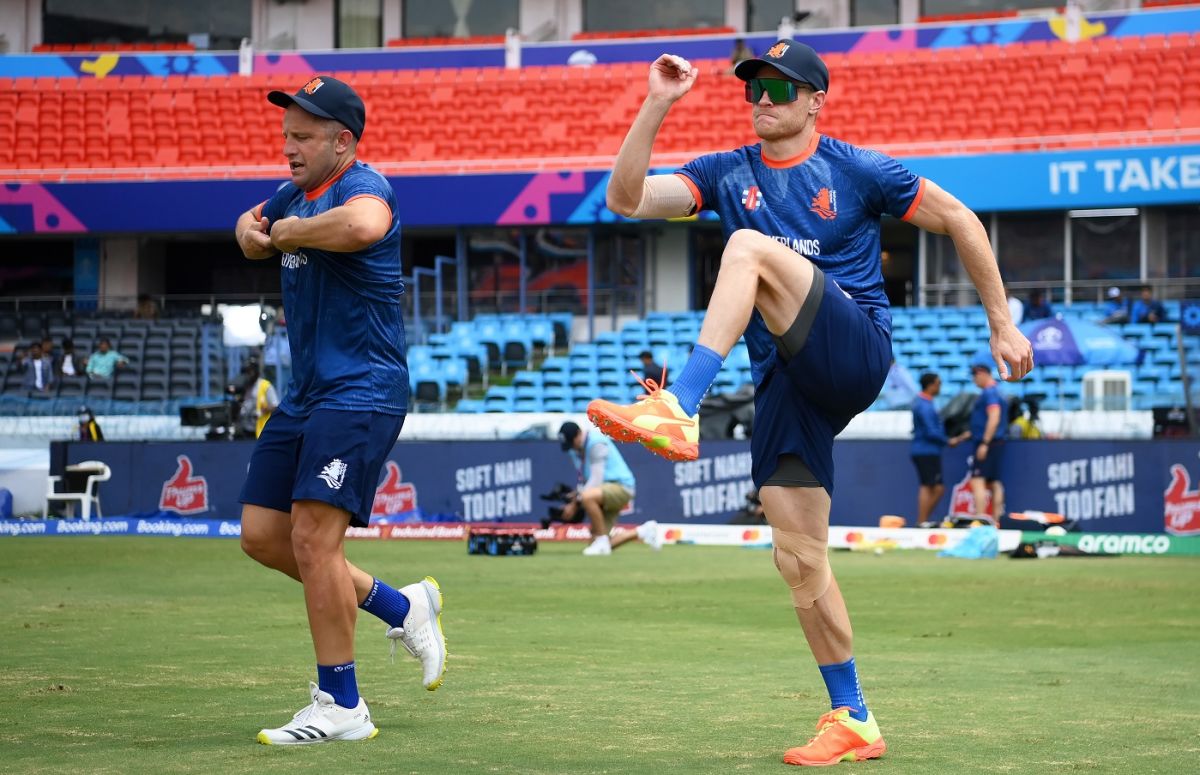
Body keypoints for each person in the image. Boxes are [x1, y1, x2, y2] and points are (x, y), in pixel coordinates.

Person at [586, 41, 1033, 766]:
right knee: (798, 557)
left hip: (854, 348)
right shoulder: (726, 170)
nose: (762, 100)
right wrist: (657, 104)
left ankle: (681, 400)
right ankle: (854, 716)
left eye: (780, 89)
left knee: (748, 247)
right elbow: (625, 200)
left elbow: (960, 217)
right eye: (753, 89)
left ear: (817, 100)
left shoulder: (857, 169)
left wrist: (1001, 322)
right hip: (788, 382)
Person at [233, 74, 446, 746]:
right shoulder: (290, 194)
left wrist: (289, 232)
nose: (288, 147)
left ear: (343, 142)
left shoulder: (365, 186)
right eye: (286, 134)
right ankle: (400, 605)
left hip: (362, 390)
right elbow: (249, 230)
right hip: (305, 394)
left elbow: (362, 225)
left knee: (313, 541)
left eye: (303, 136)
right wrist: (255, 231)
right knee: (262, 535)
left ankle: (342, 704)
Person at [556, 420, 661, 555]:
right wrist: (576, 495)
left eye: (572, 442)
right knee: (595, 544)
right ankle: (644, 531)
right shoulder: (573, 450)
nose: (571, 447)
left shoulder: (596, 443)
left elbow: (596, 479)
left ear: (579, 434)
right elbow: (586, 479)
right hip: (603, 491)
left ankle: (601, 540)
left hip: (621, 487)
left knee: (587, 498)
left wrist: (575, 503)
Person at [955, 363, 1009, 523]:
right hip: (996, 441)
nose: (974, 380)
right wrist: (964, 436)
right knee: (994, 482)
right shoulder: (998, 391)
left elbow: (994, 417)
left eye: (975, 376)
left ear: (983, 374)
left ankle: (980, 519)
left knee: (977, 480)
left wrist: (984, 443)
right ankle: (996, 520)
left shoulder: (989, 392)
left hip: (988, 442)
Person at [911, 373, 959, 526]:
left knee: (932, 486)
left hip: (927, 450)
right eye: (938, 384)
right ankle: (921, 521)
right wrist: (947, 440)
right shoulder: (924, 405)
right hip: (926, 450)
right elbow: (931, 431)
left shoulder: (925, 402)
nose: (940, 387)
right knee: (932, 487)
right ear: (931, 385)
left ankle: (922, 521)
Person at [236, 360, 279, 439]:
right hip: (245, 429)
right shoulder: (243, 386)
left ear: (256, 372)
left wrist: (266, 409)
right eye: (246, 372)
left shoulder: (265, 385)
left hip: (262, 430)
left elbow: (275, 406)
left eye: (250, 372)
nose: (248, 375)